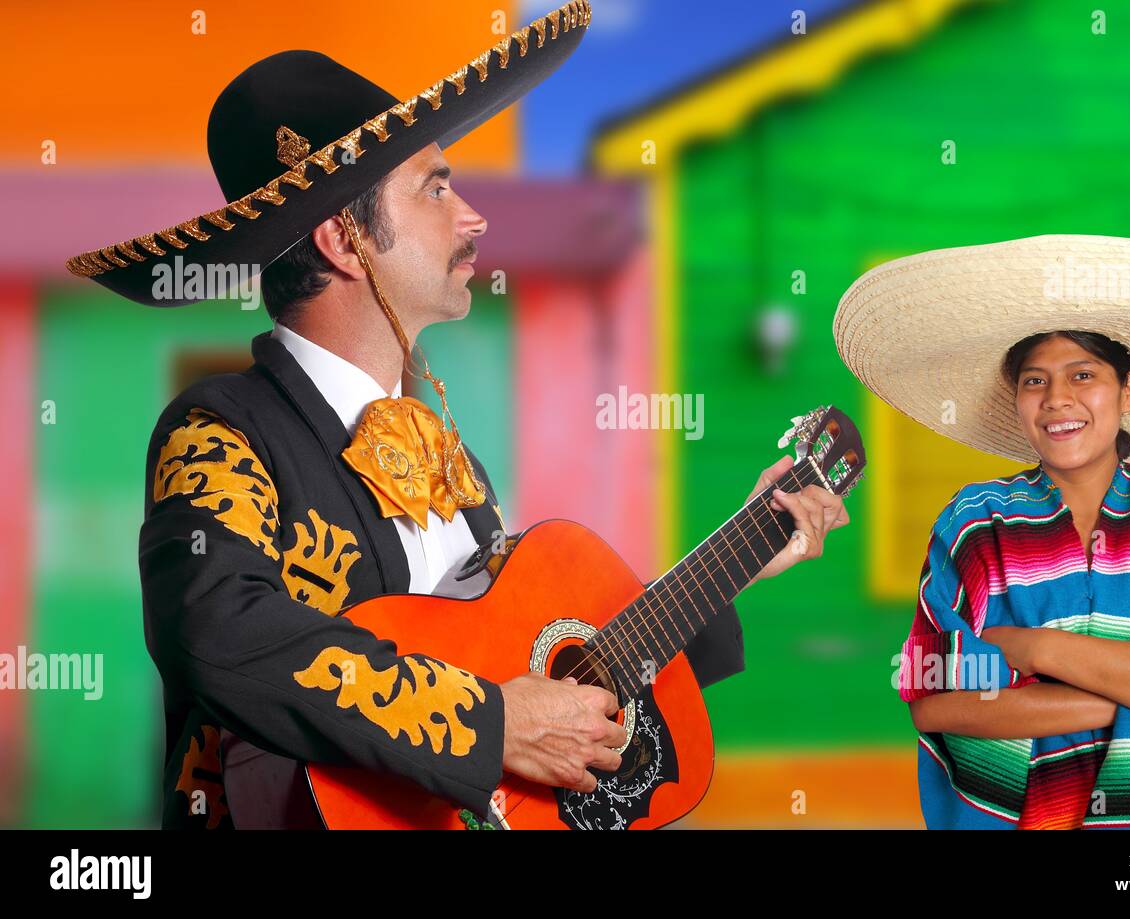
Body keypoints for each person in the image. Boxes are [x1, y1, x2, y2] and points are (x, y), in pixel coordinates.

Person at [66, 2, 848, 829]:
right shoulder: (218, 428)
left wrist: (745, 556)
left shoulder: (455, 463)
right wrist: (490, 724)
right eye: (436, 188)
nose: (473, 217)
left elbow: (541, 682)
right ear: (343, 240)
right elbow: (222, 630)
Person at [833, 234, 1130, 828]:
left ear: (1129, 386)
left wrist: (1033, 650)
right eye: (1034, 380)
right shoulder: (976, 523)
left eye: (1083, 374)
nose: (1057, 399)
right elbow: (936, 698)